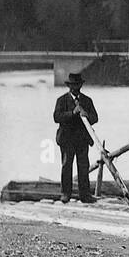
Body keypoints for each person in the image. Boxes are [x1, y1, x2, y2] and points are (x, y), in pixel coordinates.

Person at [52, 72, 99, 204]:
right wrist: (72, 113)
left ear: (80, 85)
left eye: (77, 85)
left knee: (83, 166)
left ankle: (85, 195)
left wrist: (86, 114)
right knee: (67, 166)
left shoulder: (87, 100)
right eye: (73, 85)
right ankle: (65, 194)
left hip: (82, 139)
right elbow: (57, 117)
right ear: (69, 86)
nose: (75, 88)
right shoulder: (61, 100)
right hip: (67, 140)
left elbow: (95, 118)